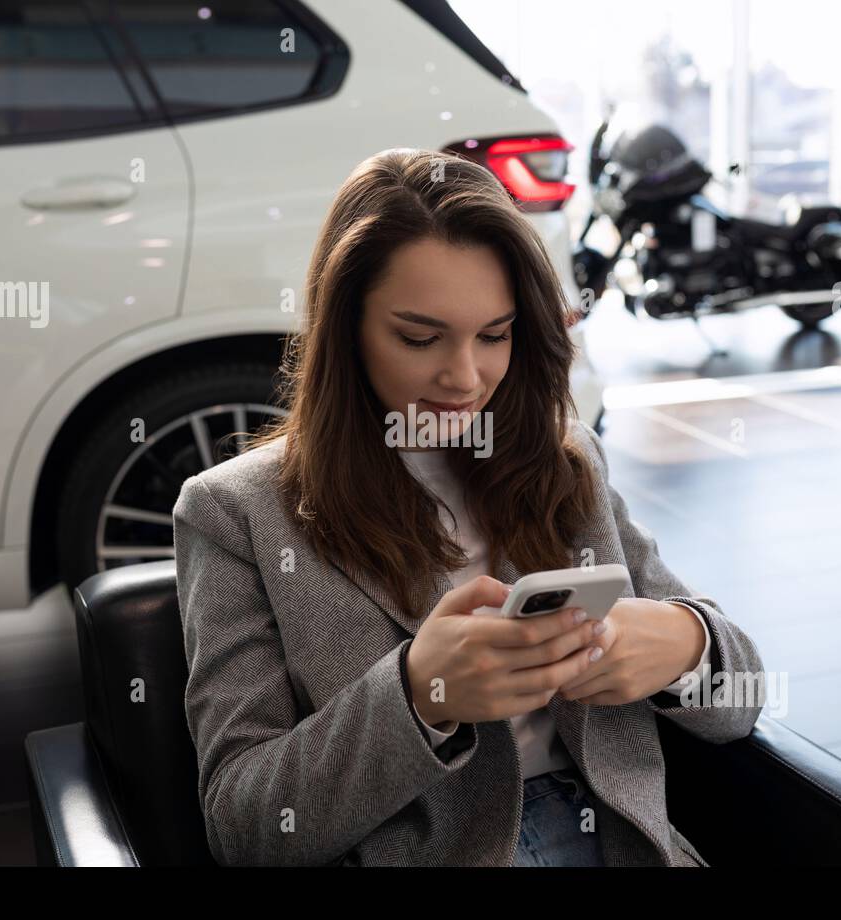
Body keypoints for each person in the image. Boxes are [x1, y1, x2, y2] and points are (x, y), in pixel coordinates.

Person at [172, 147, 764, 866]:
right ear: (346, 326)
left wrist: (683, 644)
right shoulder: (236, 514)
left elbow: (745, 694)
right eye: (419, 337)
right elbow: (247, 827)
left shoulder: (564, 460)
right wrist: (419, 695)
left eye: (495, 335)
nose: (464, 376)